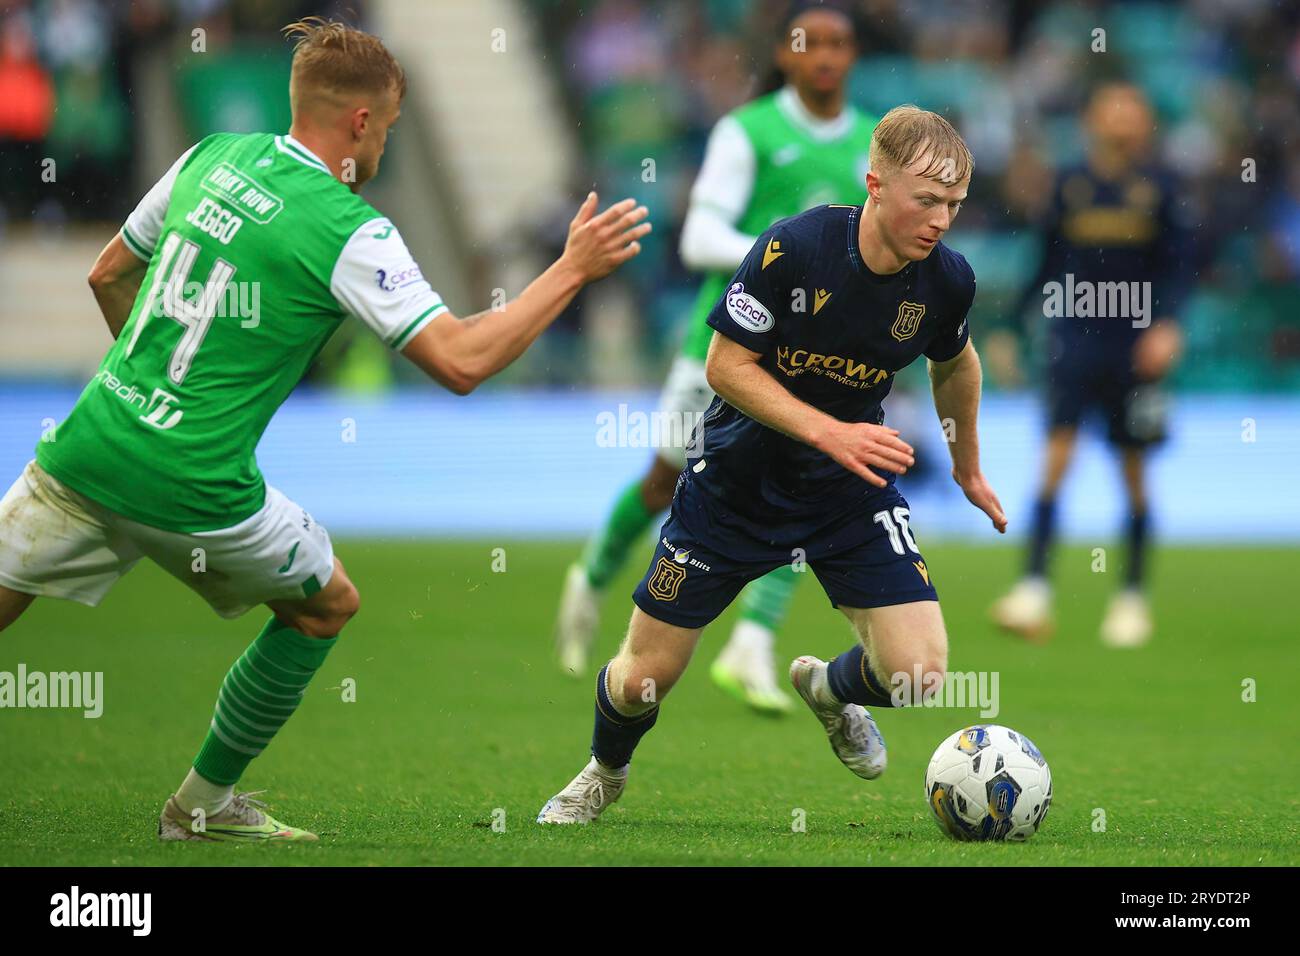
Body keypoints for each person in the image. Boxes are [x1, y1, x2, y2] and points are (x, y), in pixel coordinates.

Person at [0, 17, 650, 843]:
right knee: (324, 605)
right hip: (193, 480)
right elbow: (459, 361)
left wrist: (159, 392)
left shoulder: (210, 156)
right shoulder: (351, 228)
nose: (387, 145)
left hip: (89, 440)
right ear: (361, 123)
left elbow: (108, 272)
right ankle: (198, 808)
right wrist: (571, 268)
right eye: (390, 127)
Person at [538, 105, 1006, 824]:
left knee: (919, 675)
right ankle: (606, 770)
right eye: (927, 200)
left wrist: (967, 467)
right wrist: (830, 432)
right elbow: (725, 367)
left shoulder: (946, 281)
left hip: (847, 491)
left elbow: (956, 363)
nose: (942, 219)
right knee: (641, 684)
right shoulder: (796, 248)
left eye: (954, 204)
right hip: (733, 487)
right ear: (875, 185)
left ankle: (829, 691)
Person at [555, 0, 877, 715]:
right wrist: (795, 262)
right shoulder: (747, 131)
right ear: (786, 55)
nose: (825, 55)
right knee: (666, 485)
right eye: (809, 43)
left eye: (838, 43)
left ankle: (752, 645)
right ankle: (592, 576)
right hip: (725, 350)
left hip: (812, 361)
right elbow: (700, 239)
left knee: (808, 483)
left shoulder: (871, 143)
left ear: (853, 55)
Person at [989, 82, 1188, 648]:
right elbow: (1045, 262)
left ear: (1144, 122)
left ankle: (1131, 597)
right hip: (1073, 341)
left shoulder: (1162, 187)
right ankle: (1033, 588)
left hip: (1136, 347)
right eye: (1111, 111)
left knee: (1133, 471)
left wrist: (1168, 325)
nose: (1121, 122)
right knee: (1056, 457)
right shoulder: (1069, 185)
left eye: (1131, 111)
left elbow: (1179, 267)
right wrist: (1008, 327)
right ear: (1092, 120)